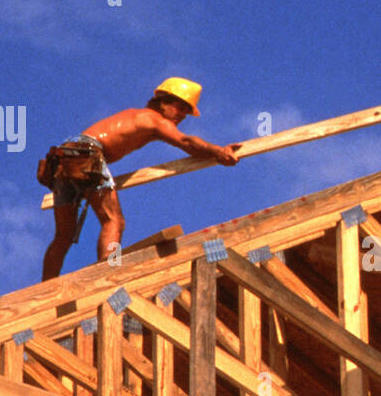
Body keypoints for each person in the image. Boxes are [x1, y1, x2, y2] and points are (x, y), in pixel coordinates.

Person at [40, 77, 238, 280]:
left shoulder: (136, 116)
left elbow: (191, 148)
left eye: (186, 113)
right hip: (86, 152)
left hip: (63, 157)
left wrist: (211, 153)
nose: (181, 116)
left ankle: (46, 287)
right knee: (114, 221)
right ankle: (111, 269)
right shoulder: (154, 119)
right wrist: (218, 151)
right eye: (180, 108)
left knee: (63, 236)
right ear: (164, 100)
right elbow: (186, 141)